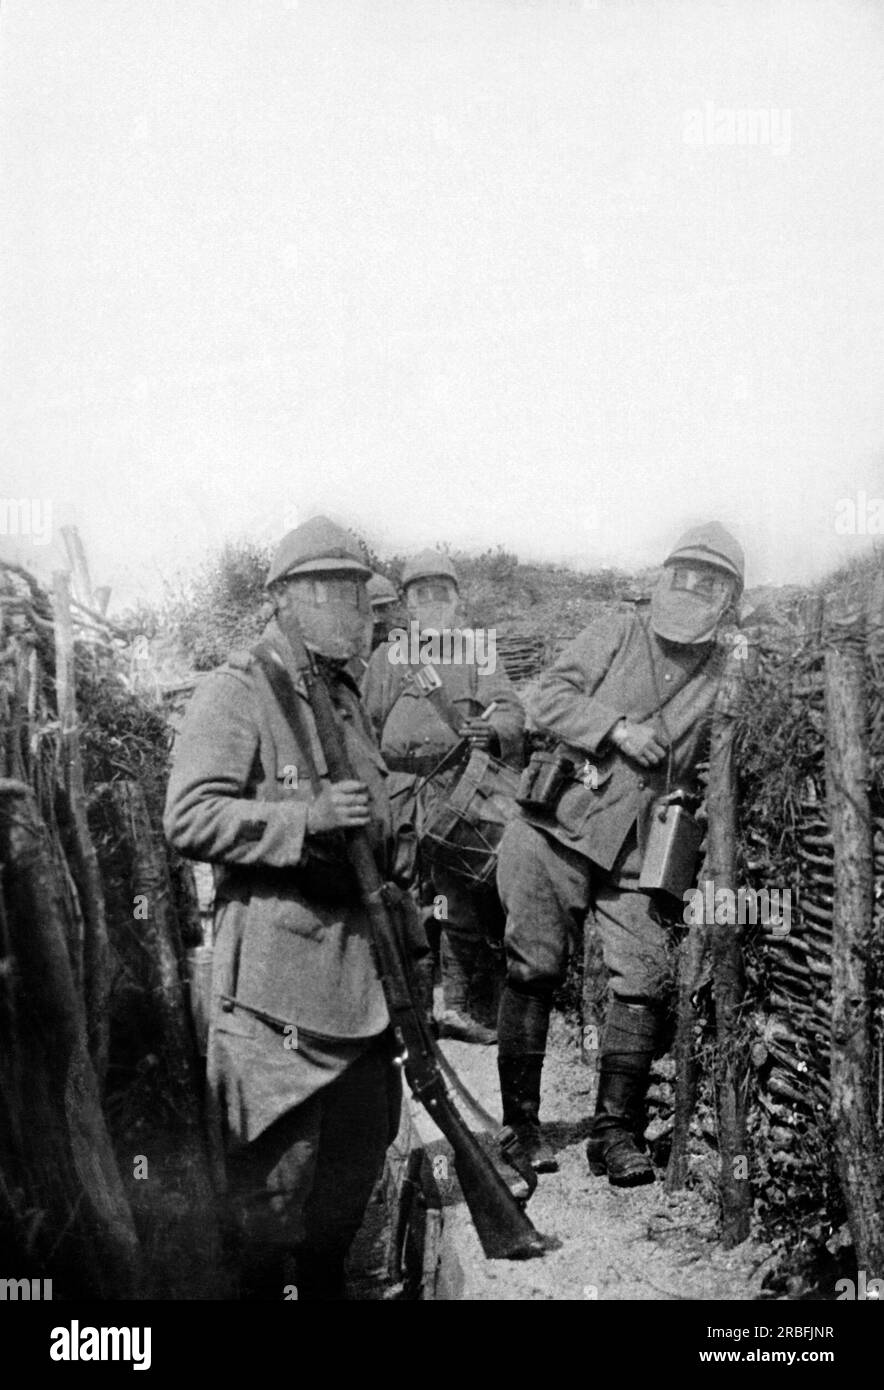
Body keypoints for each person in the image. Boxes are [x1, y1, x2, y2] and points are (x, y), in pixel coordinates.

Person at [164, 515, 429, 1299]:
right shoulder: (238, 689)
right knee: (270, 1199)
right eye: (326, 587)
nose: (349, 605)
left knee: (352, 1176)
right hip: (278, 989)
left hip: (366, 983)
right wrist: (301, 820)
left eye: (354, 588)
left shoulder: (344, 693)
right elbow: (188, 816)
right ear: (282, 598)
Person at [495, 522, 745, 1182]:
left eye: (709, 584)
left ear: (728, 599)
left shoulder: (726, 665)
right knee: (533, 969)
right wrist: (615, 728)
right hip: (554, 828)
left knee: (645, 978)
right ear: (665, 579)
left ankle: (615, 1132)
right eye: (684, 577)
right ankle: (519, 1127)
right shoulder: (618, 629)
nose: (691, 593)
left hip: (638, 851)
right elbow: (544, 697)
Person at [362, 548, 525, 1043]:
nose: (432, 603)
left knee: (460, 899)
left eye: (442, 593)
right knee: (402, 894)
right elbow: (363, 726)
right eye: (421, 595)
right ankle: (409, 1010)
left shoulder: (477, 652)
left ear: (457, 600)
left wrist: (491, 729)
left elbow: (512, 711)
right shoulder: (390, 657)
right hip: (400, 790)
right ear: (408, 604)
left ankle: (457, 1008)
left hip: (458, 791)